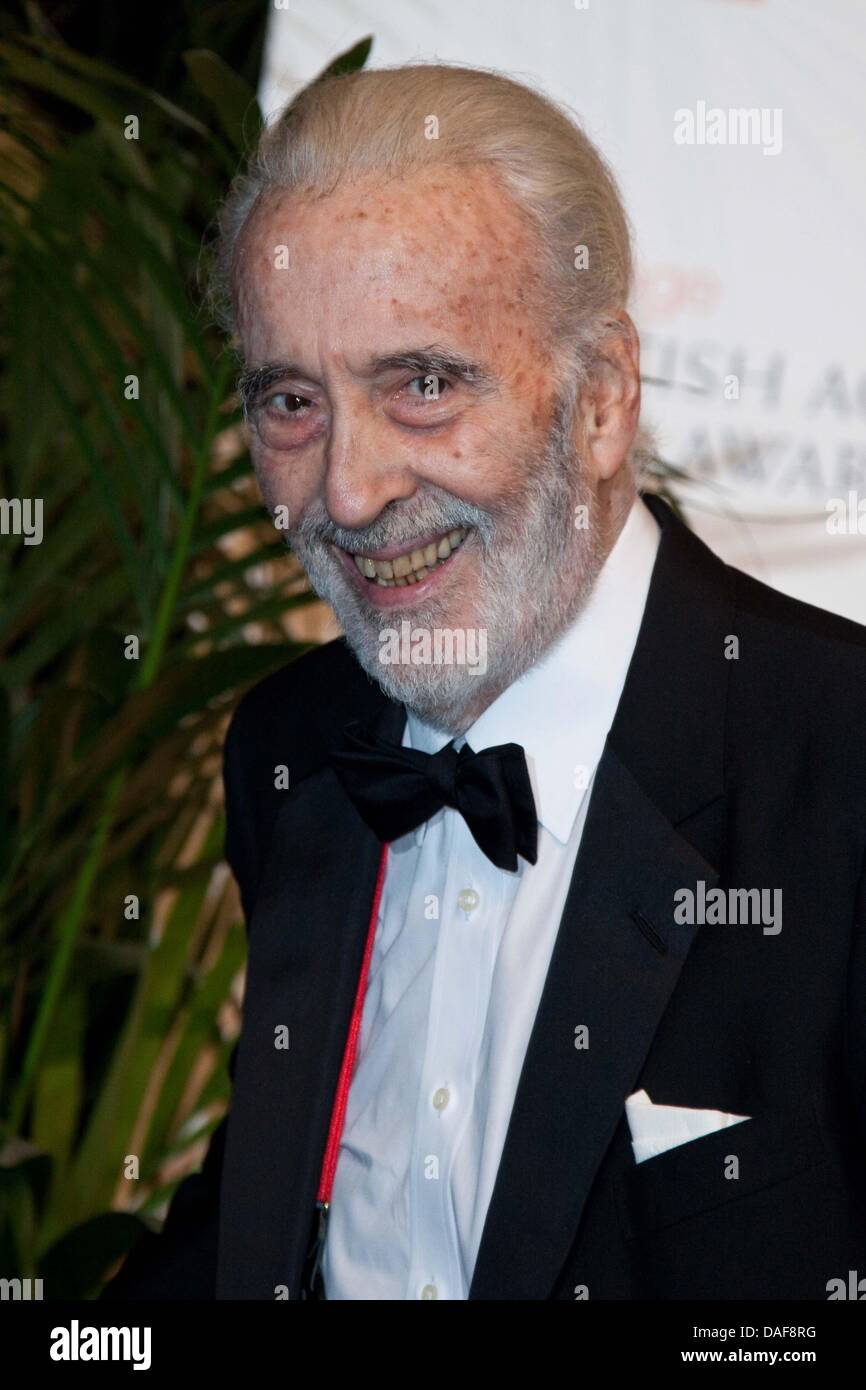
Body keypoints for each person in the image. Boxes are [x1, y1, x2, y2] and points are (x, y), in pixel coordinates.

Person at [103, 62, 866, 1301]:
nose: (348, 493)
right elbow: (278, 1209)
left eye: (422, 383)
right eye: (291, 401)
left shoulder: (834, 765)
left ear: (601, 399)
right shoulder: (290, 750)